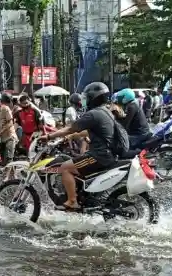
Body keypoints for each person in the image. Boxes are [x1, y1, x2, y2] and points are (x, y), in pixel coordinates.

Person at [41, 82, 117, 211]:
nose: (84, 100)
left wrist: (49, 137)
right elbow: (89, 131)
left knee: (65, 168)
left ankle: (72, 201)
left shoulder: (93, 114)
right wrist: (71, 137)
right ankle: (80, 195)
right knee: (75, 164)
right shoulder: (105, 112)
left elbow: (70, 128)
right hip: (107, 154)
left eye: (87, 97)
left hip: (99, 156)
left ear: (93, 98)